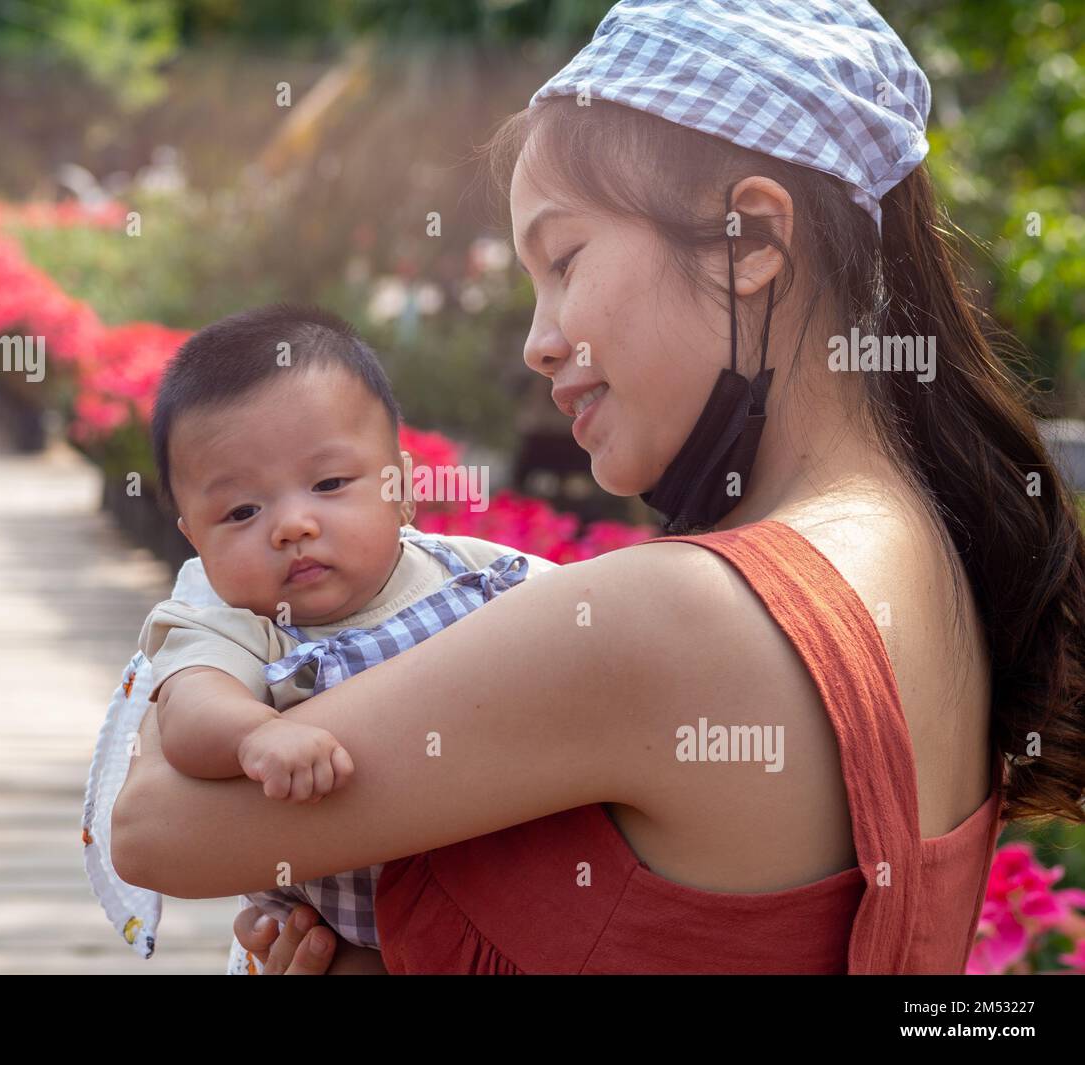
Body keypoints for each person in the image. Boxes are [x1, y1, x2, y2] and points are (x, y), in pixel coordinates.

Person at [111, 0, 1085, 974]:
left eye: (565, 258)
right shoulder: (934, 558)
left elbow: (157, 827)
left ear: (751, 242)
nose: (540, 341)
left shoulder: (682, 615)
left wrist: (207, 627)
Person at [80, 303, 557, 972]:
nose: (292, 524)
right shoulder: (233, 623)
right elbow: (189, 708)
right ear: (193, 537)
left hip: (512, 921)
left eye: (330, 483)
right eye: (242, 510)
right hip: (348, 944)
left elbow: (567, 623)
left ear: (401, 485)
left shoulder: (472, 570)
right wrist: (254, 734)